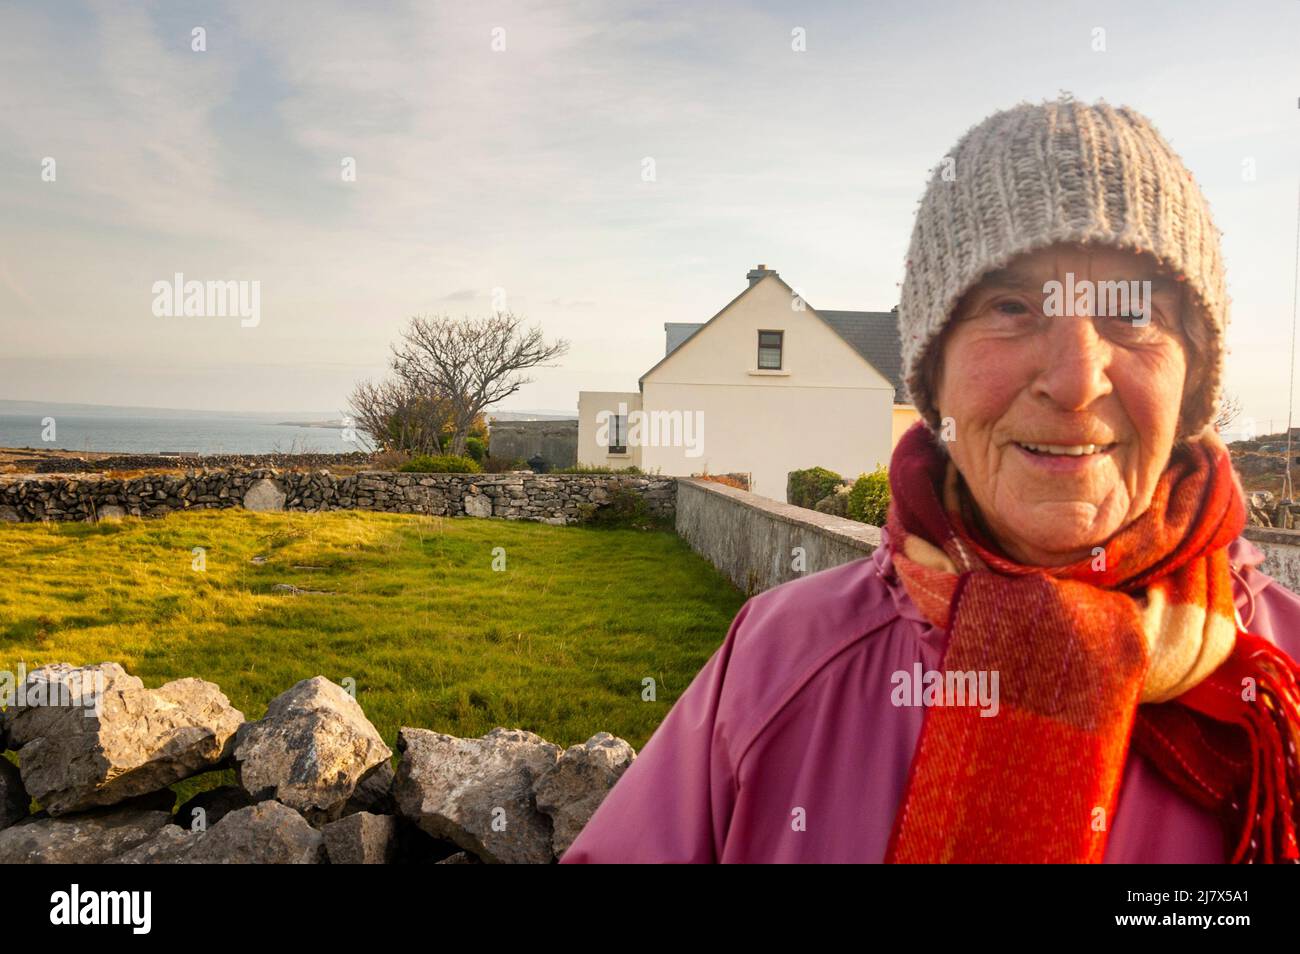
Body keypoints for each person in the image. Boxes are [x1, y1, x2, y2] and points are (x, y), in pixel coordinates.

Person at [560, 96, 1300, 863]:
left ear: (1193, 379)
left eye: (1132, 315)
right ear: (932, 374)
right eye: (1011, 305)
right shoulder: (778, 664)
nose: (1077, 382)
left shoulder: (1282, 694)